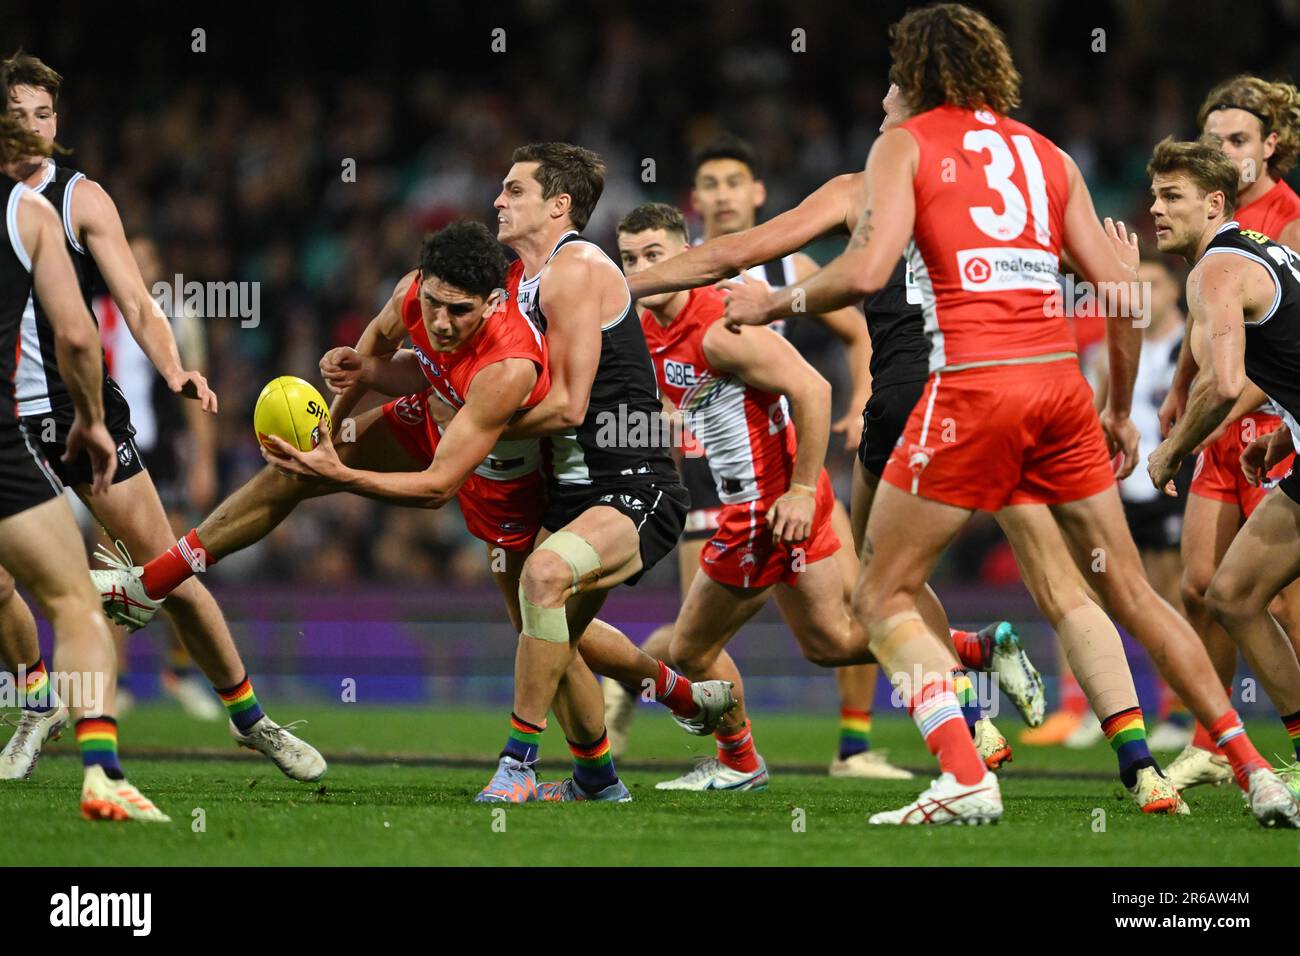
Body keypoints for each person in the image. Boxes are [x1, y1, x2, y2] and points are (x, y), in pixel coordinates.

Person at [717, 3, 1298, 825]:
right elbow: (1123, 290)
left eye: (894, 79)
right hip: (1057, 388)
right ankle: (1247, 769)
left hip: (957, 390)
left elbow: (850, 265)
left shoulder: (898, 151)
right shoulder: (1044, 154)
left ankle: (966, 763)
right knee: (1114, 588)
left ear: (915, 77)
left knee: (880, 594)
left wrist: (768, 299)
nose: (886, 95)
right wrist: (1118, 406)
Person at [97, 219, 734, 803]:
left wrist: (342, 474)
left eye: (458, 311)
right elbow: (377, 347)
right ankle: (156, 579)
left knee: (548, 636)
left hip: (504, 488)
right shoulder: (415, 295)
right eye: (432, 303)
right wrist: (329, 430)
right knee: (287, 472)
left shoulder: (510, 363)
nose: (442, 321)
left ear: (492, 303)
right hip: (430, 424)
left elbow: (436, 486)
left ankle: (636, 734)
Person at [0, 50, 324, 783]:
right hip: (5, 420)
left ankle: (253, 720)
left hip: (81, 415)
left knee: (167, 573)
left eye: (45, 114)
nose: (33, 128)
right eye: (18, 114)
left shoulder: (79, 199)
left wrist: (173, 364)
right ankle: (35, 704)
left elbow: (140, 302)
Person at [0, 113, 166, 820]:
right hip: (23, 432)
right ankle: (100, 771)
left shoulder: (72, 201)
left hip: (55, 429)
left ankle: (38, 700)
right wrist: (91, 421)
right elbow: (76, 332)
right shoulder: (27, 213)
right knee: (74, 604)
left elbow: (114, 315)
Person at [1145, 136, 1300, 804]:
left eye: (1171, 196)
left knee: (1232, 594)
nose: (1156, 208)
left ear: (1214, 203)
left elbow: (1222, 379)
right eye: (1153, 194)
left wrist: (1172, 449)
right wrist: (1284, 428)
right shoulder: (1273, 255)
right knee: (1231, 594)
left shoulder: (1215, 269)